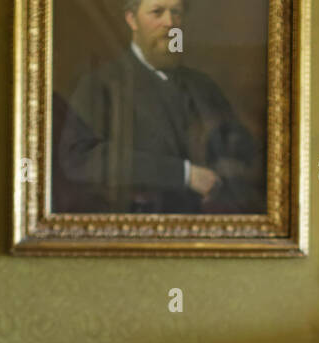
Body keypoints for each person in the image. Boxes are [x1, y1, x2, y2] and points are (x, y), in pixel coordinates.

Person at [55, 0, 264, 214]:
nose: (170, 23)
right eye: (157, 12)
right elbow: (79, 159)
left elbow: (241, 150)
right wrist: (183, 174)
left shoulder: (203, 86)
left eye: (176, 13)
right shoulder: (101, 84)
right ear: (132, 19)